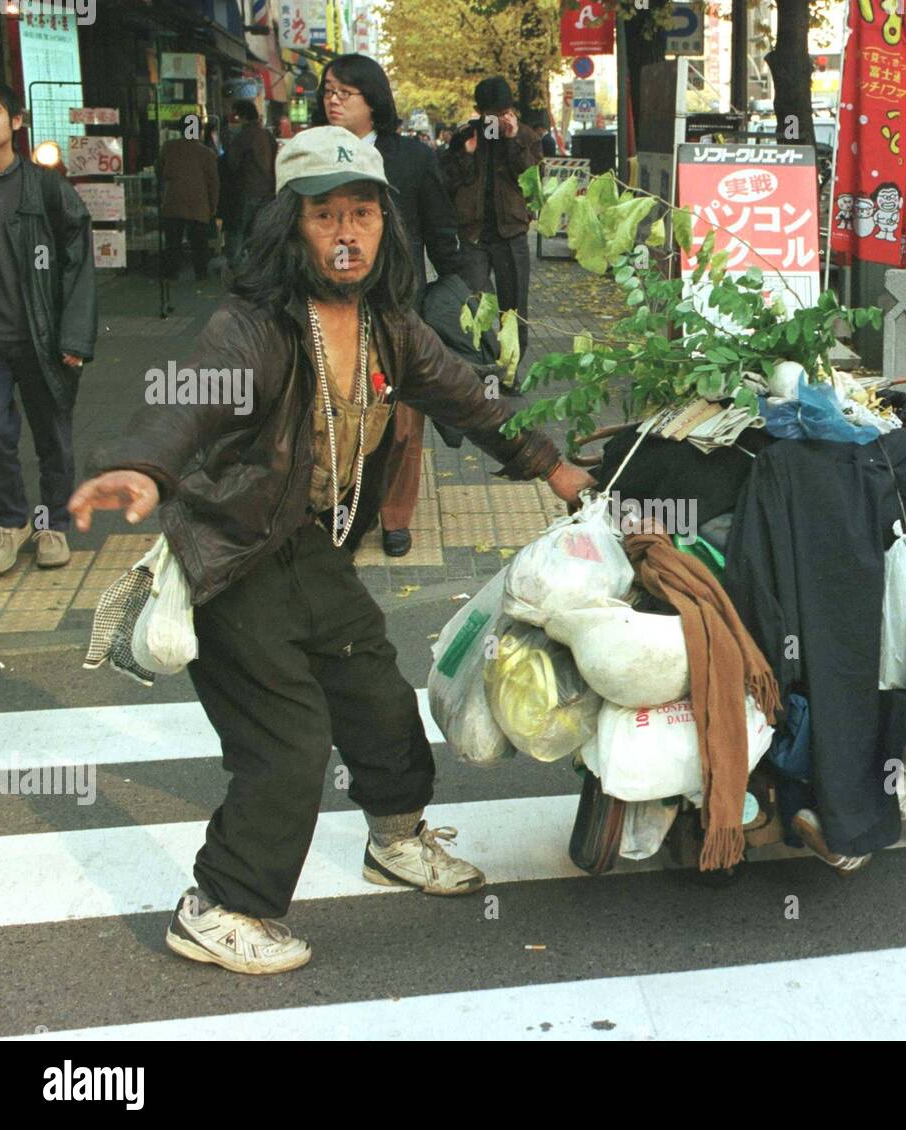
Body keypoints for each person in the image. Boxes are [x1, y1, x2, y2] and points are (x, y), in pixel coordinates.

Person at [70, 127, 594, 975]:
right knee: (289, 743)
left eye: (362, 213)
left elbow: (471, 400)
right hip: (232, 559)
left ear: (387, 223)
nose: (347, 233)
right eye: (324, 216)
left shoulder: (390, 328)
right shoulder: (257, 327)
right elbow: (189, 400)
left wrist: (558, 469)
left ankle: (394, 838)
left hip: (310, 552)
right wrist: (141, 465)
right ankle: (220, 905)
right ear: (291, 226)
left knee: (381, 700)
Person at [315, 54, 467, 558]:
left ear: (373, 102)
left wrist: (455, 290)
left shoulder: (411, 158)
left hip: (400, 309)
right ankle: (339, 500)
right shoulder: (310, 155)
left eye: (345, 93)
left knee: (402, 423)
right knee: (336, 415)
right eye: (328, 91)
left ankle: (395, 517)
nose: (332, 100)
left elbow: (441, 231)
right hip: (330, 310)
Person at [0, 83, 97, 575]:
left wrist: (74, 337)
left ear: (16, 121)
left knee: (52, 436)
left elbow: (78, 262)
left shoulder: (46, 187)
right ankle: (10, 522)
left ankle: (52, 522)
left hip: (41, 336)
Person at [440, 77, 542, 386]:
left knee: (514, 308)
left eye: (502, 112)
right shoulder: (466, 137)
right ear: (478, 111)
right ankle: (484, 370)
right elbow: (447, 183)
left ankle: (509, 373)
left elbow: (531, 182)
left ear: (510, 110)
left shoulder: (525, 136)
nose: (496, 120)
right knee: (477, 306)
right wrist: (465, 151)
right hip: (474, 236)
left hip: (511, 233)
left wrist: (512, 141)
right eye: (490, 114)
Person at [157, 120, 220, 281]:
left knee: (173, 241)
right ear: (199, 131)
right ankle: (201, 272)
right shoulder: (207, 153)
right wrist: (213, 206)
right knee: (199, 241)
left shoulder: (168, 148)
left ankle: (171, 273)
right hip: (198, 203)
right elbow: (214, 182)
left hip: (173, 200)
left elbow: (160, 172)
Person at [223, 99, 276, 267]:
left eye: (236, 115)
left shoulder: (243, 136)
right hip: (267, 190)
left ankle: (236, 265)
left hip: (247, 189)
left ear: (243, 116)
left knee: (237, 229)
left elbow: (232, 163)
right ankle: (259, 264)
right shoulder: (267, 135)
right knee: (259, 230)